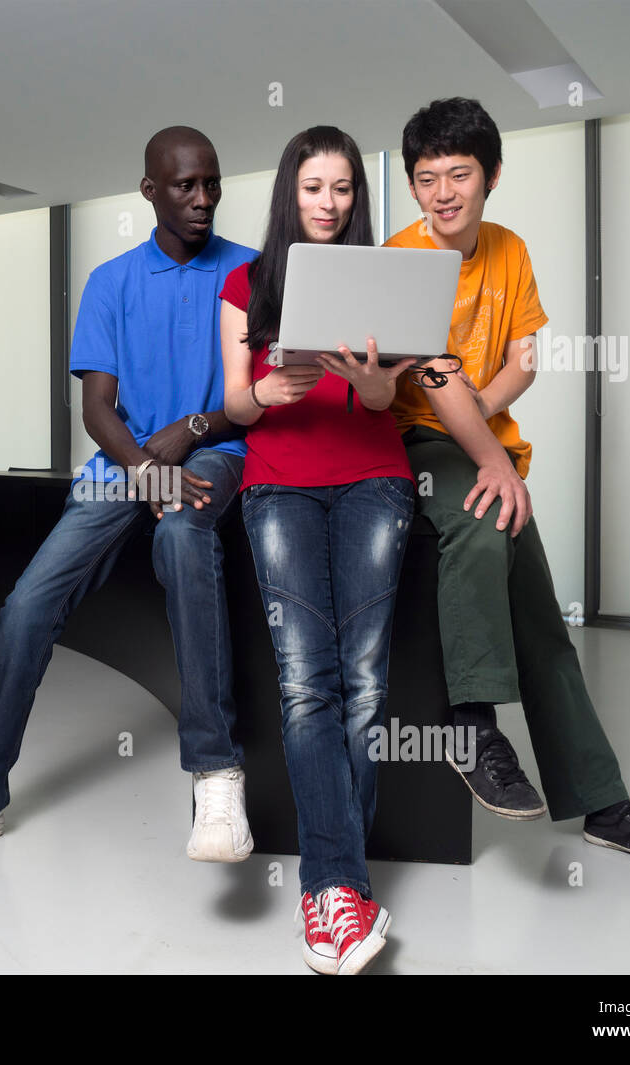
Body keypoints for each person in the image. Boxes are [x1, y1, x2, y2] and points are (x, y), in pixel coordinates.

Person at [0, 127, 259, 869]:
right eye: (185, 185)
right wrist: (145, 465)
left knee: (181, 539)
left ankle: (217, 773)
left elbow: (254, 398)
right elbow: (98, 408)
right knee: (31, 601)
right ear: (150, 191)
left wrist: (188, 431)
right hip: (122, 460)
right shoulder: (112, 281)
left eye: (212, 183)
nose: (202, 199)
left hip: (215, 455)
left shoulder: (250, 273)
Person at [384, 96, 630, 873]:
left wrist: (486, 430)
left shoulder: (510, 250)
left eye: (458, 174)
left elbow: (525, 358)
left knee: (544, 627)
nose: (442, 193)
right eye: (426, 178)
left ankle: (604, 802)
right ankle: (470, 723)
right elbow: (431, 382)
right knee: (475, 515)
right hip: (412, 442)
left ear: (491, 174)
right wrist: (485, 452)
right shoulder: (399, 260)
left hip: (476, 440)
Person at [220, 126, 418, 975]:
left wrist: (377, 386)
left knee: (366, 684)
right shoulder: (247, 282)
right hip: (278, 484)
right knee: (309, 684)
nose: (329, 203)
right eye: (313, 187)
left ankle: (338, 894)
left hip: (373, 476)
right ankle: (334, 888)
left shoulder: (380, 282)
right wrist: (266, 389)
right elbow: (234, 405)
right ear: (289, 193)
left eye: (341, 188)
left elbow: (387, 398)